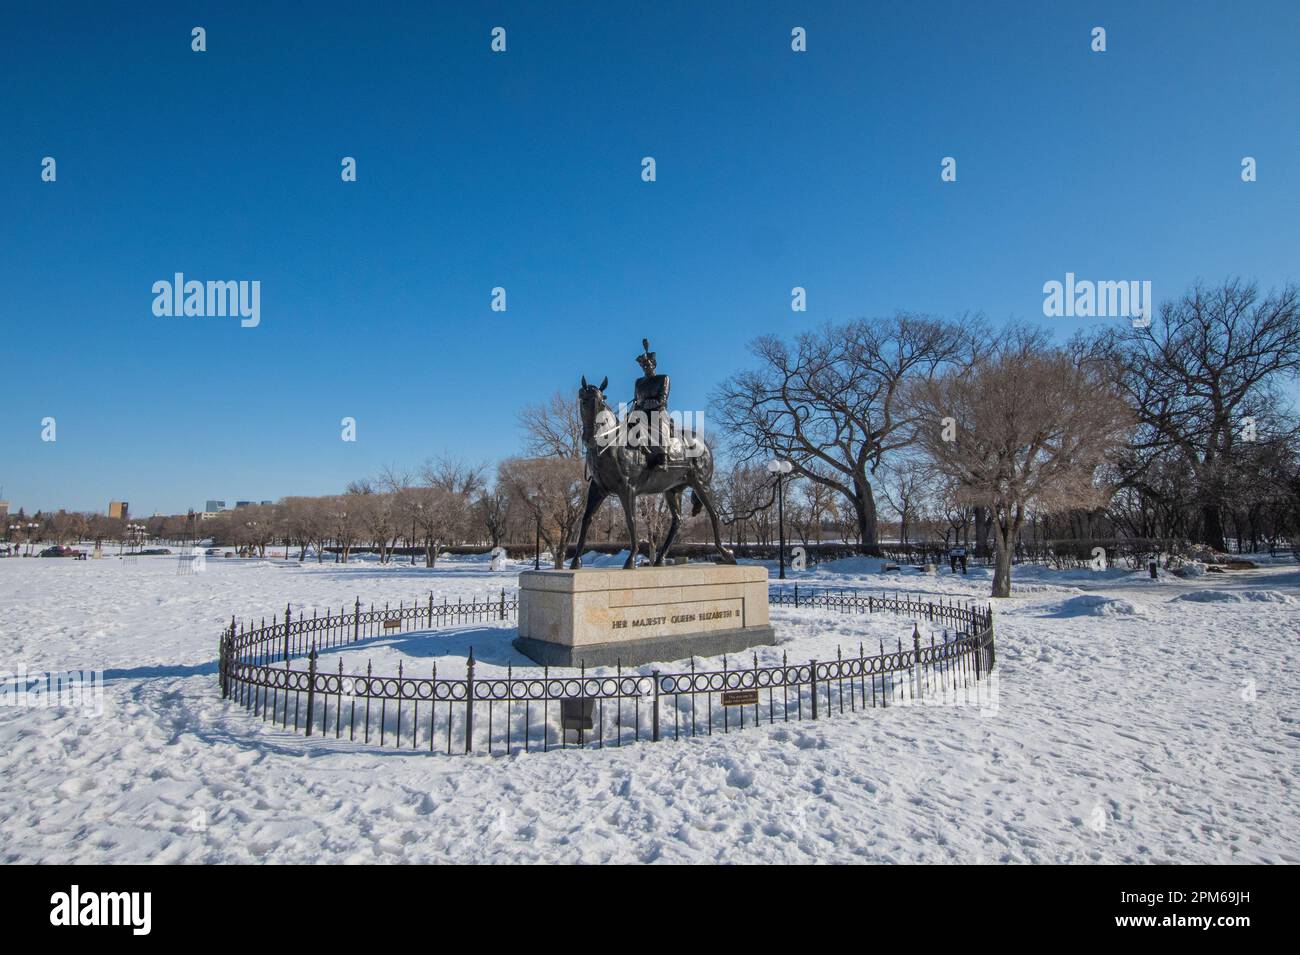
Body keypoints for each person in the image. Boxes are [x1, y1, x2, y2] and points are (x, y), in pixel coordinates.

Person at [631, 338, 672, 473]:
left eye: (648, 365)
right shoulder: (639, 382)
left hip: (657, 411)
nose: (646, 368)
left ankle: (663, 457)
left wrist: (652, 403)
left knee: (658, 422)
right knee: (626, 424)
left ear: (654, 365)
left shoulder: (663, 378)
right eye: (643, 366)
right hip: (642, 412)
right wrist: (636, 408)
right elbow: (636, 400)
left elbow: (663, 399)